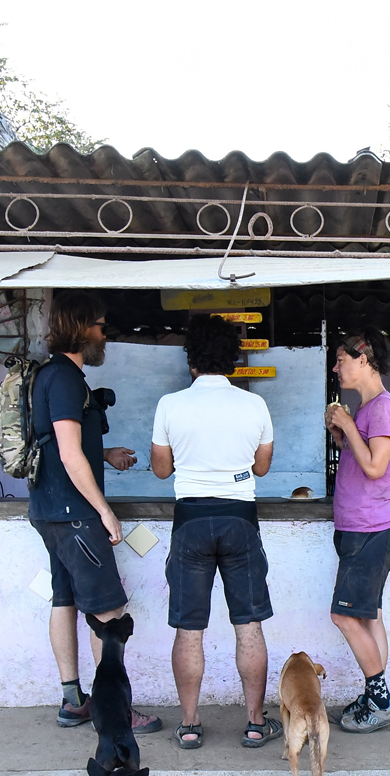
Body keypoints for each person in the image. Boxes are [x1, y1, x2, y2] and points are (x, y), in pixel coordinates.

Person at [29, 290, 160, 733]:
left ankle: (73, 701)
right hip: (75, 513)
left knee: (65, 599)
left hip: (51, 509)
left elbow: (60, 445)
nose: (105, 334)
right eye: (101, 325)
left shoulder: (50, 376)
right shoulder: (65, 377)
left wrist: (103, 455)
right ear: (82, 328)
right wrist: (103, 510)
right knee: (109, 609)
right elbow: (67, 453)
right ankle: (115, 710)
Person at [151, 315, 278, 749]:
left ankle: (189, 725)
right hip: (240, 518)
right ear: (234, 359)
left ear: (191, 361)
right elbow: (261, 467)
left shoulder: (170, 405)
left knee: (189, 629)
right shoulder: (254, 406)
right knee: (248, 624)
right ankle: (256, 722)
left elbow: (162, 469)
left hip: (190, 520)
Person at [324, 329, 390, 734]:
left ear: (364, 360)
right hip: (360, 526)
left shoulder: (383, 408)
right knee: (368, 617)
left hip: (370, 528)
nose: (336, 367)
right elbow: (363, 460)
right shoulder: (368, 409)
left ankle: (382, 699)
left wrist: (348, 425)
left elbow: (376, 467)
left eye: (341, 359)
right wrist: (344, 436)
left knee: (344, 615)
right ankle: (375, 698)